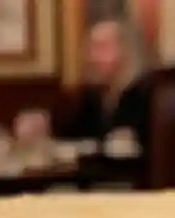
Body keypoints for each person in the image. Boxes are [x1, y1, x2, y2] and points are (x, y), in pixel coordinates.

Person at [63, 19, 153, 152]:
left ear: (126, 50)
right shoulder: (90, 96)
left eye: (102, 47)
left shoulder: (144, 94)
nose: (92, 57)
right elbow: (71, 138)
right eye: (90, 48)